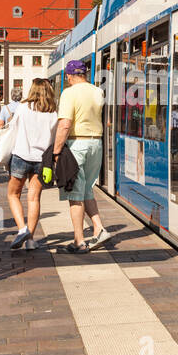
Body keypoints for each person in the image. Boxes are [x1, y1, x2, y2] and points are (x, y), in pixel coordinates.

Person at [52, 59, 111, 252]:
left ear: (69, 76)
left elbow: (65, 124)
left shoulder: (69, 93)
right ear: (84, 74)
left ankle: (79, 240)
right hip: (97, 143)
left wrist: (56, 151)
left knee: (74, 194)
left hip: (77, 144)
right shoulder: (97, 91)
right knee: (87, 190)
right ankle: (99, 228)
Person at [6, 79, 59, 251]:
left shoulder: (23, 107)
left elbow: (12, 128)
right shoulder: (53, 112)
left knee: (13, 194)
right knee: (34, 198)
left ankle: (22, 229)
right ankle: (30, 240)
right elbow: (54, 138)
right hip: (42, 159)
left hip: (21, 154)